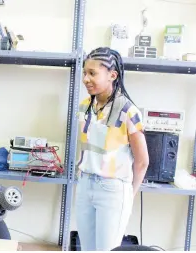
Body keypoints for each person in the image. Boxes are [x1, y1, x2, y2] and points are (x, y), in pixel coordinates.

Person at [75, 47, 149, 251]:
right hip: (85, 185)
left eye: (92, 73)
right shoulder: (84, 107)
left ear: (112, 75)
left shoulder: (128, 111)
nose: (86, 79)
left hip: (113, 189)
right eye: (84, 73)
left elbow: (143, 161)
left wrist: (128, 196)